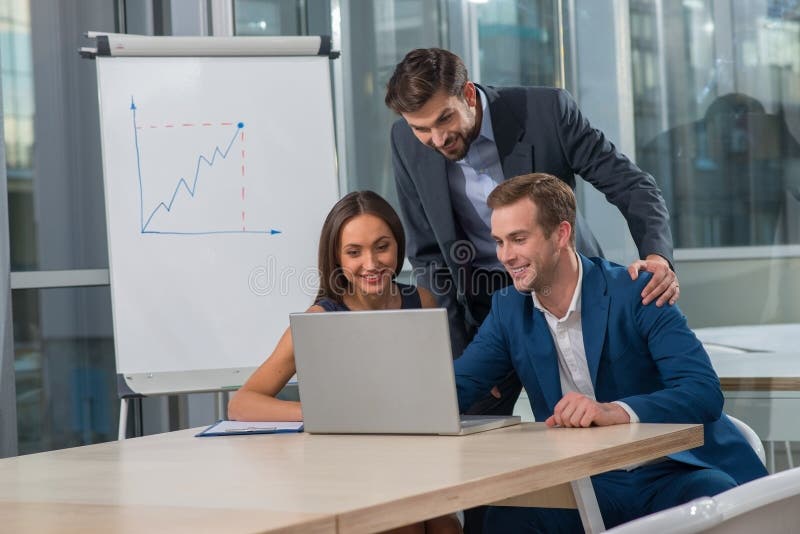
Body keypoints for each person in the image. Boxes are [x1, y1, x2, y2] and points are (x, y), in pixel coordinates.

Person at [453, 173, 768, 532]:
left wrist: (614, 411)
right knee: (506, 520)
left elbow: (703, 392)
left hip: (673, 470)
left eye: (518, 239)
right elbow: (458, 387)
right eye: (499, 242)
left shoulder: (638, 291)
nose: (506, 256)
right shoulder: (509, 310)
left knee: (711, 505)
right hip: (590, 481)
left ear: (561, 234)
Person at [384, 48, 679, 417]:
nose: (438, 138)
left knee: (603, 418)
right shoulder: (405, 142)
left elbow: (632, 186)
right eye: (421, 128)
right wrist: (460, 352)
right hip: (485, 307)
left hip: (566, 291)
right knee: (462, 423)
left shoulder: (546, 112)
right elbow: (428, 257)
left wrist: (657, 255)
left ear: (469, 95)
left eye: (445, 119)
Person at [229, 191, 461, 534]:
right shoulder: (320, 319)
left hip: (418, 459)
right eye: (354, 252)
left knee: (446, 528)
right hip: (352, 469)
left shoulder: (421, 301)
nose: (371, 263)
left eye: (382, 246)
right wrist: (320, 415)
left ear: (397, 246)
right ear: (336, 258)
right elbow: (241, 403)